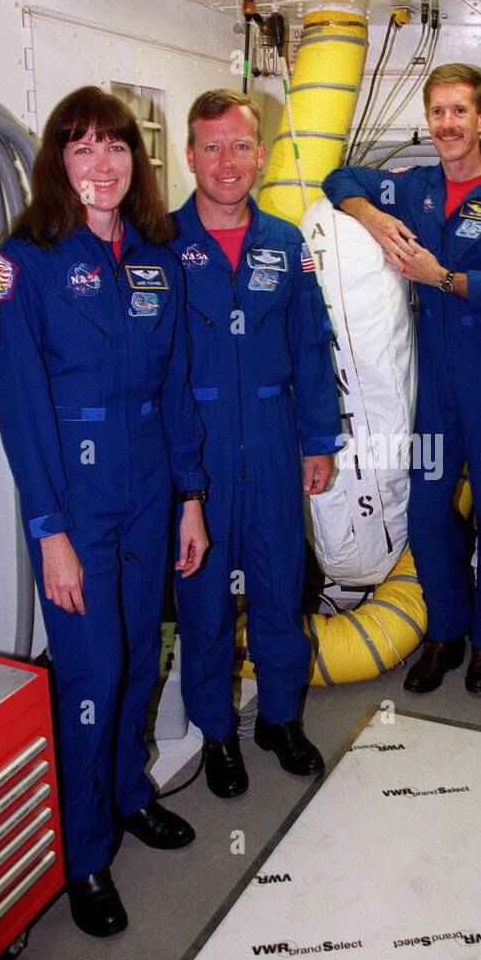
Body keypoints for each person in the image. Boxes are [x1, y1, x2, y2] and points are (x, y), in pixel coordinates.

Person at [0, 86, 209, 937]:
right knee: (88, 677)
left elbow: (176, 386)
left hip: (152, 488)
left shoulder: (157, 259)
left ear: (134, 163)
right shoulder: (26, 263)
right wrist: (49, 533)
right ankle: (83, 855)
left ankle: (125, 794)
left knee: (141, 662)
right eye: (82, 149)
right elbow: (20, 408)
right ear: (57, 163)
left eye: (115, 148)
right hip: (75, 501)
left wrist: (190, 496)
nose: (102, 165)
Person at [323, 63, 481, 696]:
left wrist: (440, 277)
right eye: (437, 113)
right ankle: (446, 630)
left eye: (459, 112)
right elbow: (340, 177)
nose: (447, 124)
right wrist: (369, 214)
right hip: (435, 390)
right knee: (426, 512)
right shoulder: (412, 187)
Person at [171, 91, 341, 795]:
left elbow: (310, 343)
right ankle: (216, 732)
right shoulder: (159, 246)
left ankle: (278, 718)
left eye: (240, 145)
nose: (227, 161)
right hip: (199, 447)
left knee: (279, 591)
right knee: (205, 603)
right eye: (211, 147)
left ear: (261, 154)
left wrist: (318, 439)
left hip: (272, 441)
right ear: (189, 156)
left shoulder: (285, 242)